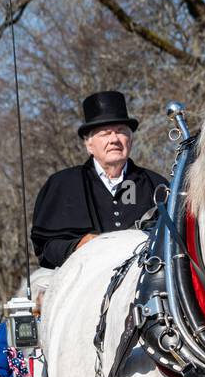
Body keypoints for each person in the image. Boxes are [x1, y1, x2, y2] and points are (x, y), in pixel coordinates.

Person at [30, 91, 169, 269]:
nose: (114, 140)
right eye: (105, 133)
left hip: (144, 285)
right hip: (81, 282)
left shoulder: (157, 185)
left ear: (131, 140)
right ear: (89, 145)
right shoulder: (63, 184)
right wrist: (80, 245)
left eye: (121, 132)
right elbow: (47, 248)